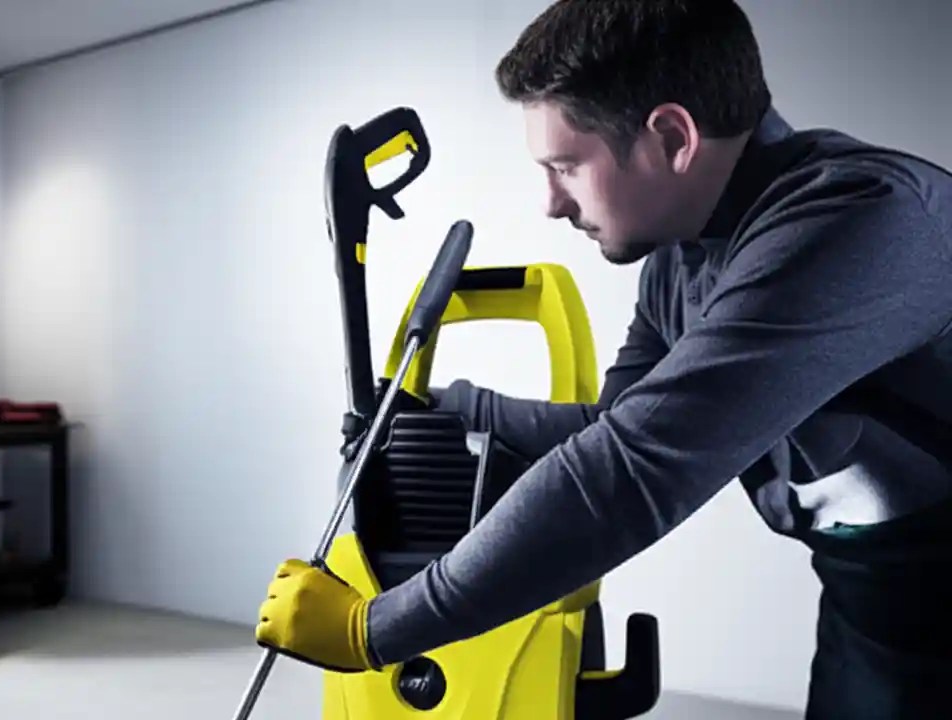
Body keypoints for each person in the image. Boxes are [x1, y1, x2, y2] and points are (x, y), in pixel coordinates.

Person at [253, 0, 952, 717]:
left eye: (566, 167)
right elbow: (612, 427)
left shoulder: (862, 223)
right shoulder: (681, 264)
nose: (552, 203)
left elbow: (627, 472)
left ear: (671, 138)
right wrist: (442, 413)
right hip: (873, 609)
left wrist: (372, 629)